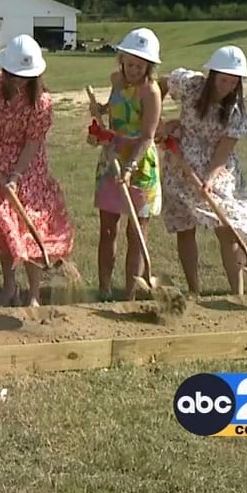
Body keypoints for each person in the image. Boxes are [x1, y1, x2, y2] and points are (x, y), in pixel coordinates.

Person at [0, 35, 74, 307]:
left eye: (25, 76)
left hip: (29, 168)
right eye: (14, 75)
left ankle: (35, 294)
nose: (19, 81)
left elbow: (32, 143)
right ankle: (9, 287)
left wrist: (16, 178)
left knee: (29, 227)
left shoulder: (42, 103)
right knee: (2, 225)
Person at [157, 46, 247, 297]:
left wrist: (210, 178)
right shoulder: (190, 85)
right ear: (212, 74)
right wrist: (157, 121)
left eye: (234, 82)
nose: (228, 87)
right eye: (224, 80)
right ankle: (194, 290)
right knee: (185, 227)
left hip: (215, 169)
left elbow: (223, 152)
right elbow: (160, 84)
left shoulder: (236, 112)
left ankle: (238, 292)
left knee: (228, 226)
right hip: (179, 164)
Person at [90, 27, 163, 301]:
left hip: (139, 164)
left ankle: (131, 293)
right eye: (129, 63)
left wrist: (131, 168)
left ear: (149, 65)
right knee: (108, 229)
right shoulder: (116, 80)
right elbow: (113, 109)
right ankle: (104, 289)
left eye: (139, 64)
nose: (133, 69)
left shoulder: (151, 91)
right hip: (112, 159)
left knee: (137, 232)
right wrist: (101, 110)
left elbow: (147, 137)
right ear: (121, 59)